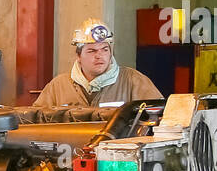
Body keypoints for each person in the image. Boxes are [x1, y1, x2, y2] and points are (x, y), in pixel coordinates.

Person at [33, 17, 162, 107]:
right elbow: (36, 122)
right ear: (78, 55)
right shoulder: (58, 87)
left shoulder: (134, 81)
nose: (99, 56)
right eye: (92, 51)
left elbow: (161, 120)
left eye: (105, 50)